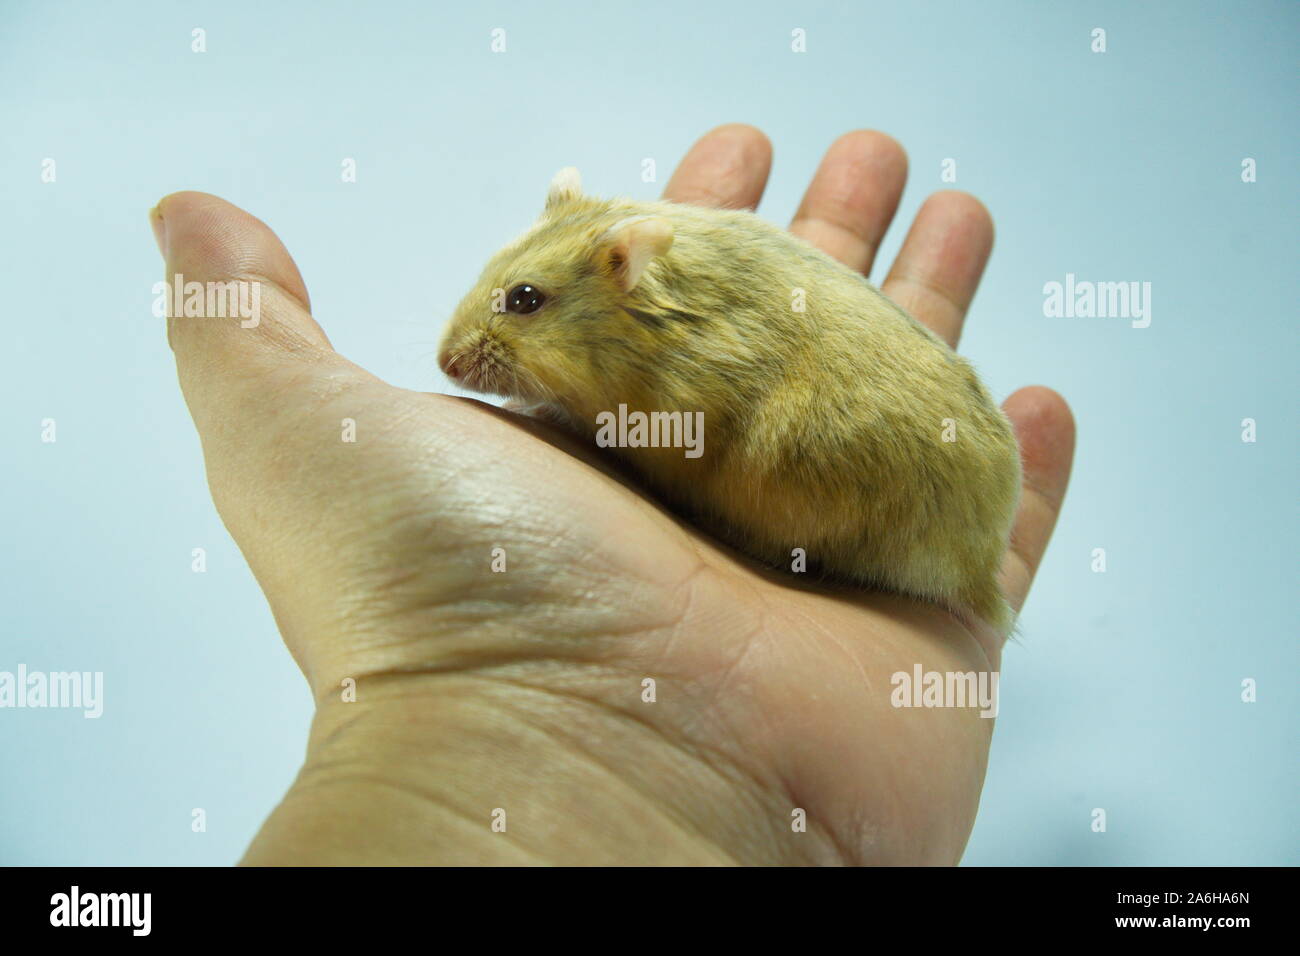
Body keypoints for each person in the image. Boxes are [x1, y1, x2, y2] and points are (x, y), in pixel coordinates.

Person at [154, 124, 1075, 865]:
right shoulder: (643, 309)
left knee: (780, 442)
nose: (462, 353)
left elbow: (702, 432)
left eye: (524, 305)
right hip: (937, 506)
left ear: (624, 272)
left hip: (894, 499)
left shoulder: (683, 351)